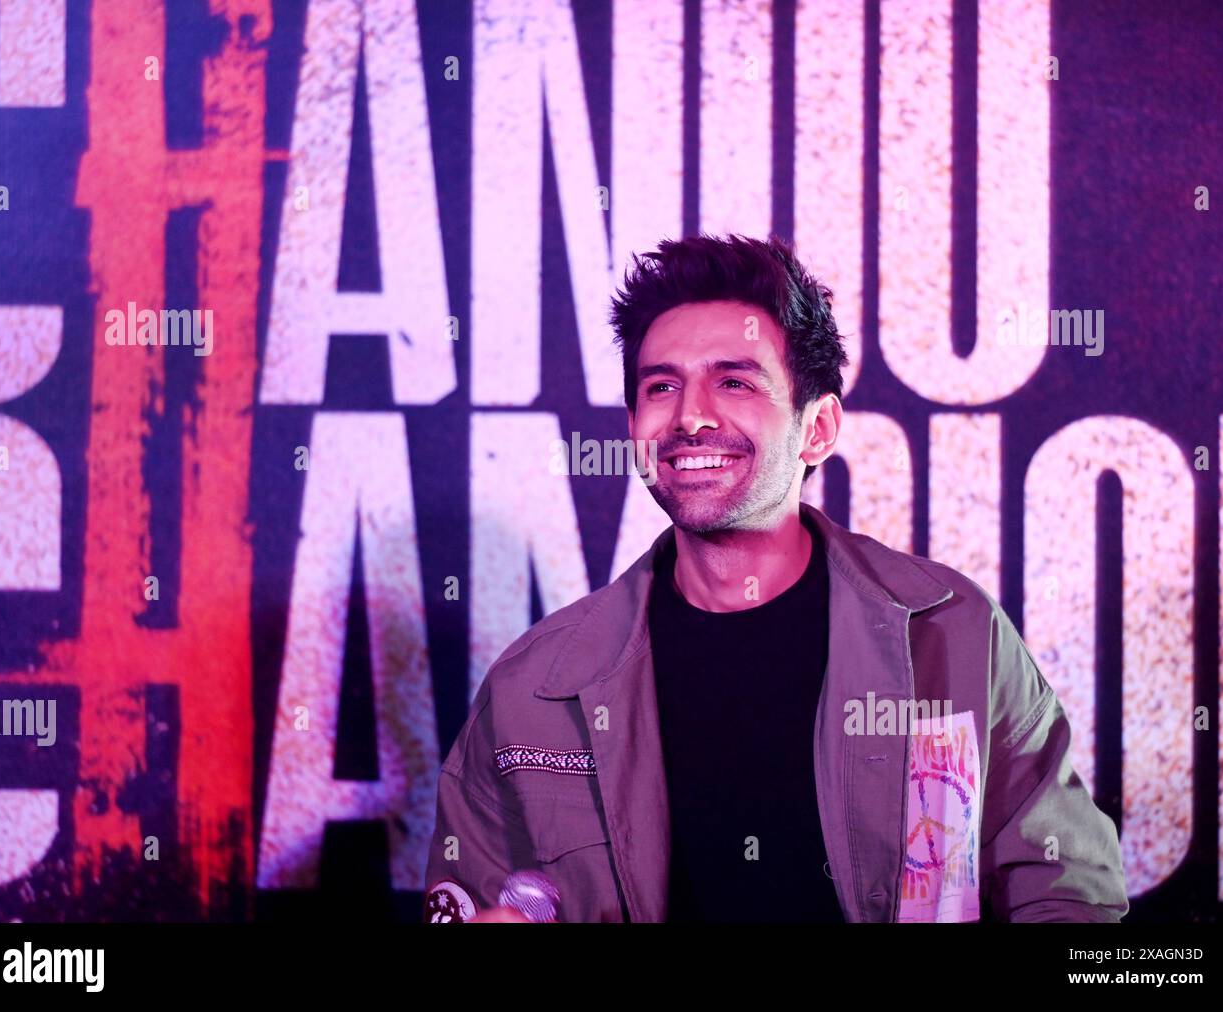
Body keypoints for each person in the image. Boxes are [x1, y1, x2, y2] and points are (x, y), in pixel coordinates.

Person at [422, 233, 1129, 923]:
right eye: (661, 386)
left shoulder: (952, 636)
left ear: (817, 429)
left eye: (734, 381)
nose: (690, 416)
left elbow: (1066, 893)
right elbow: (470, 896)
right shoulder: (534, 687)